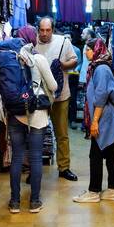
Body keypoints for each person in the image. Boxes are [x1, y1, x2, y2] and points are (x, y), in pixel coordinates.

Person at [5, 24, 58, 215]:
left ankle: (15, 202)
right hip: (36, 114)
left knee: (17, 157)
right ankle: (34, 201)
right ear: (32, 37)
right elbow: (53, 85)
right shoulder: (38, 58)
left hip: (16, 113)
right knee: (36, 157)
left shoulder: (10, 59)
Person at [74, 37, 114, 203]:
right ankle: (113, 189)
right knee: (109, 152)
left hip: (103, 117)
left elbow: (101, 97)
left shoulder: (101, 69)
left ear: (96, 50)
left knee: (96, 154)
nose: (86, 51)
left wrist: (94, 121)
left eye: (88, 49)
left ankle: (94, 191)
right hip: (105, 116)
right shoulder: (98, 67)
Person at [36, 15, 79, 181]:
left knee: (62, 133)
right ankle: (35, 168)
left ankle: (64, 167)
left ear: (52, 30)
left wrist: (62, 65)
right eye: (42, 30)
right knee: (37, 134)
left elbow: (74, 60)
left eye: (48, 30)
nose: (45, 33)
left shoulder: (63, 42)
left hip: (61, 96)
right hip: (39, 96)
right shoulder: (33, 43)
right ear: (38, 30)